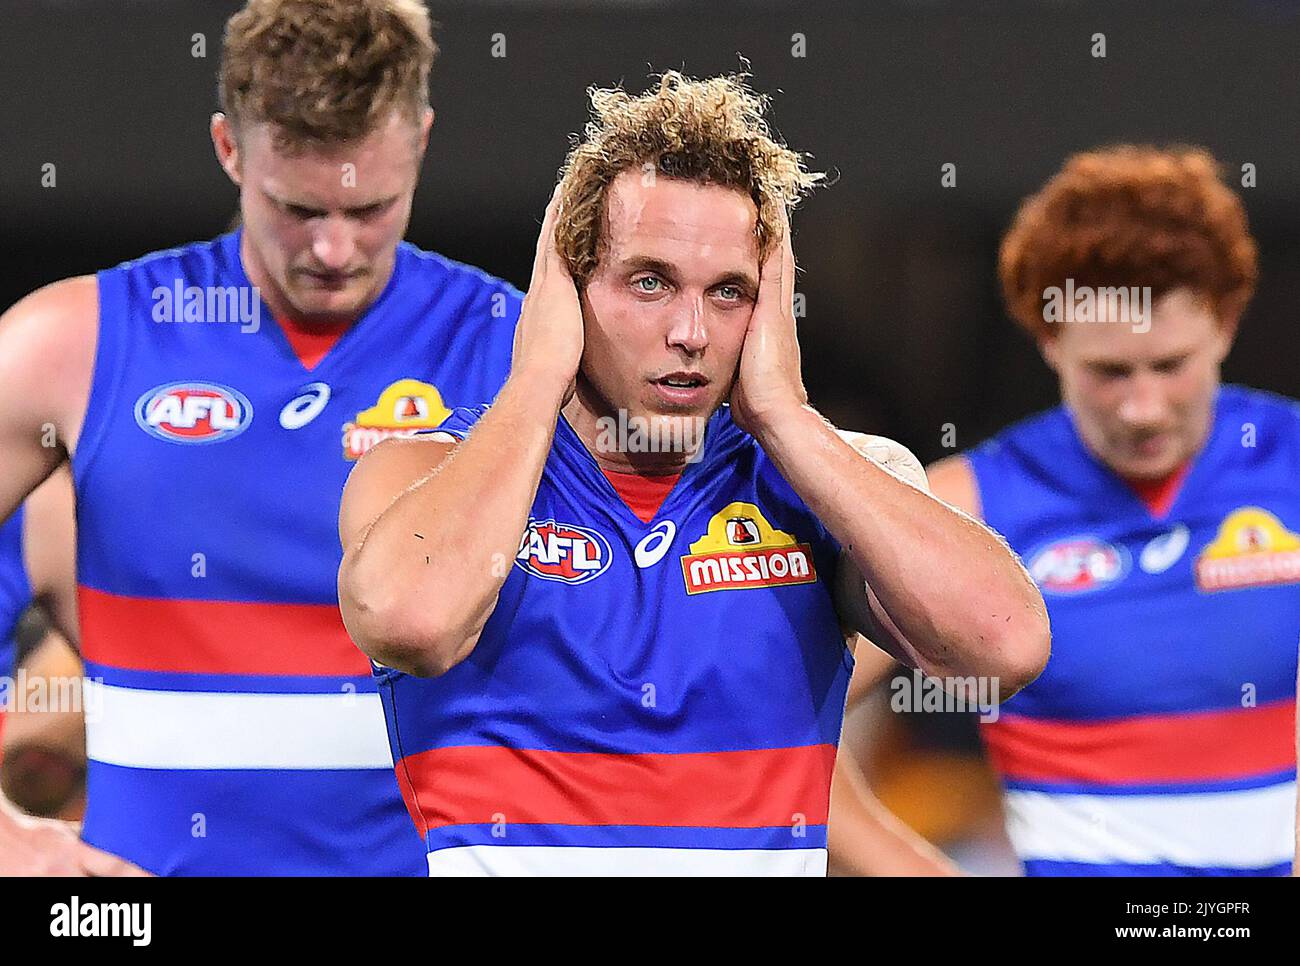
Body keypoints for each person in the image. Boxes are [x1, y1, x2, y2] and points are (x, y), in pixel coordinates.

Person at [338, 72, 1050, 876]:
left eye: (729, 294)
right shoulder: (418, 470)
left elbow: (1004, 647)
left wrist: (784, 414)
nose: (690, 331)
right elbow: (412, 621)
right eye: (651, 282)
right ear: (569, 288)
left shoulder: (826, 488)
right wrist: (536, 380)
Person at [0, 0, 521, 875]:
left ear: (422, 142)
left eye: (371, 208)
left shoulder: (519, 351)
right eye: (297, 207)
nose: (333, 247)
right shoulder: (71, 345)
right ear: (228, 148)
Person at [923, 145, 1298, 875]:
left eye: (1170, 365)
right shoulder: (962, 505)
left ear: (1224, 324)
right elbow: (776, 724)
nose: (1143, 408)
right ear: (1049, 339)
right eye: (1109, 372)